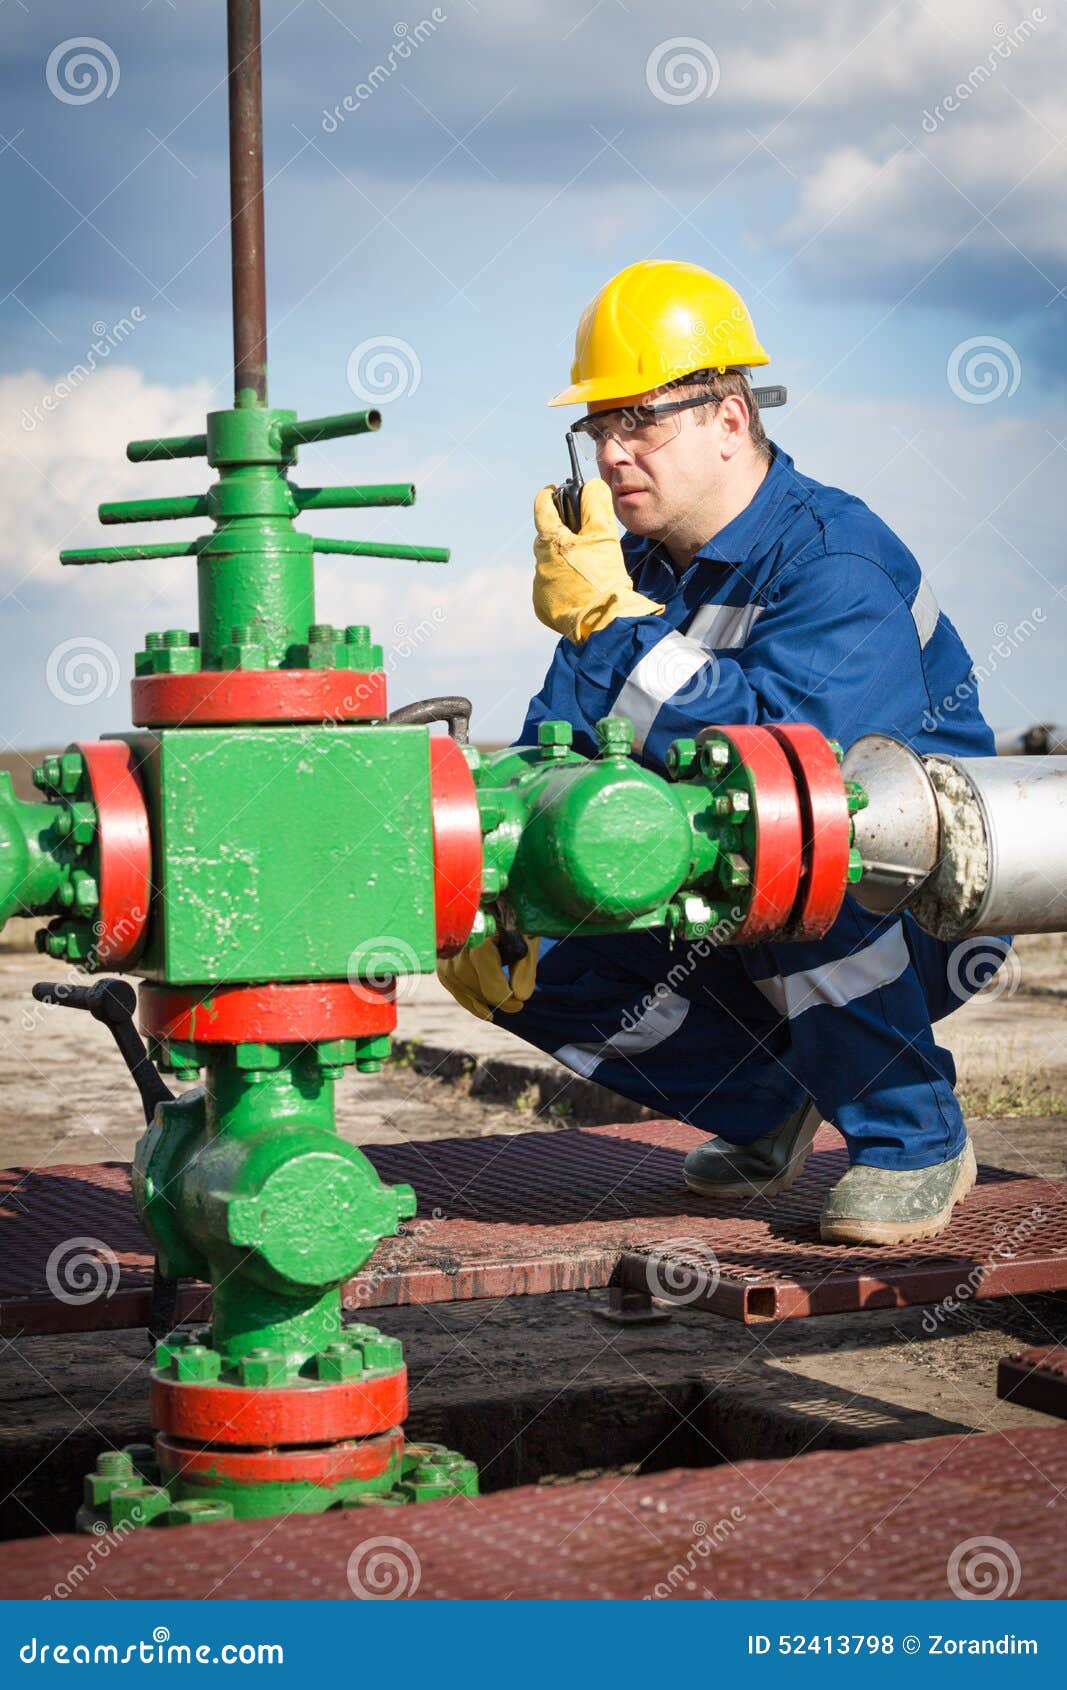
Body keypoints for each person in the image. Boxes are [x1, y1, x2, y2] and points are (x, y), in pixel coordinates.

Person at [439, 259, 1006, 1246]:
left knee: (791, 841)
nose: (612, 454)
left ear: (729, 418)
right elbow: (553, 756)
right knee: (515, 941)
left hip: (919, 905)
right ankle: (760, 1103)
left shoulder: (829, 555)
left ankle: (913, 1135)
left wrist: (610, 625)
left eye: (638, 420)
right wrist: (491, 870)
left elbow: (797, 763)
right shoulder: (632, 579)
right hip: (741, 898)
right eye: (596, 427)